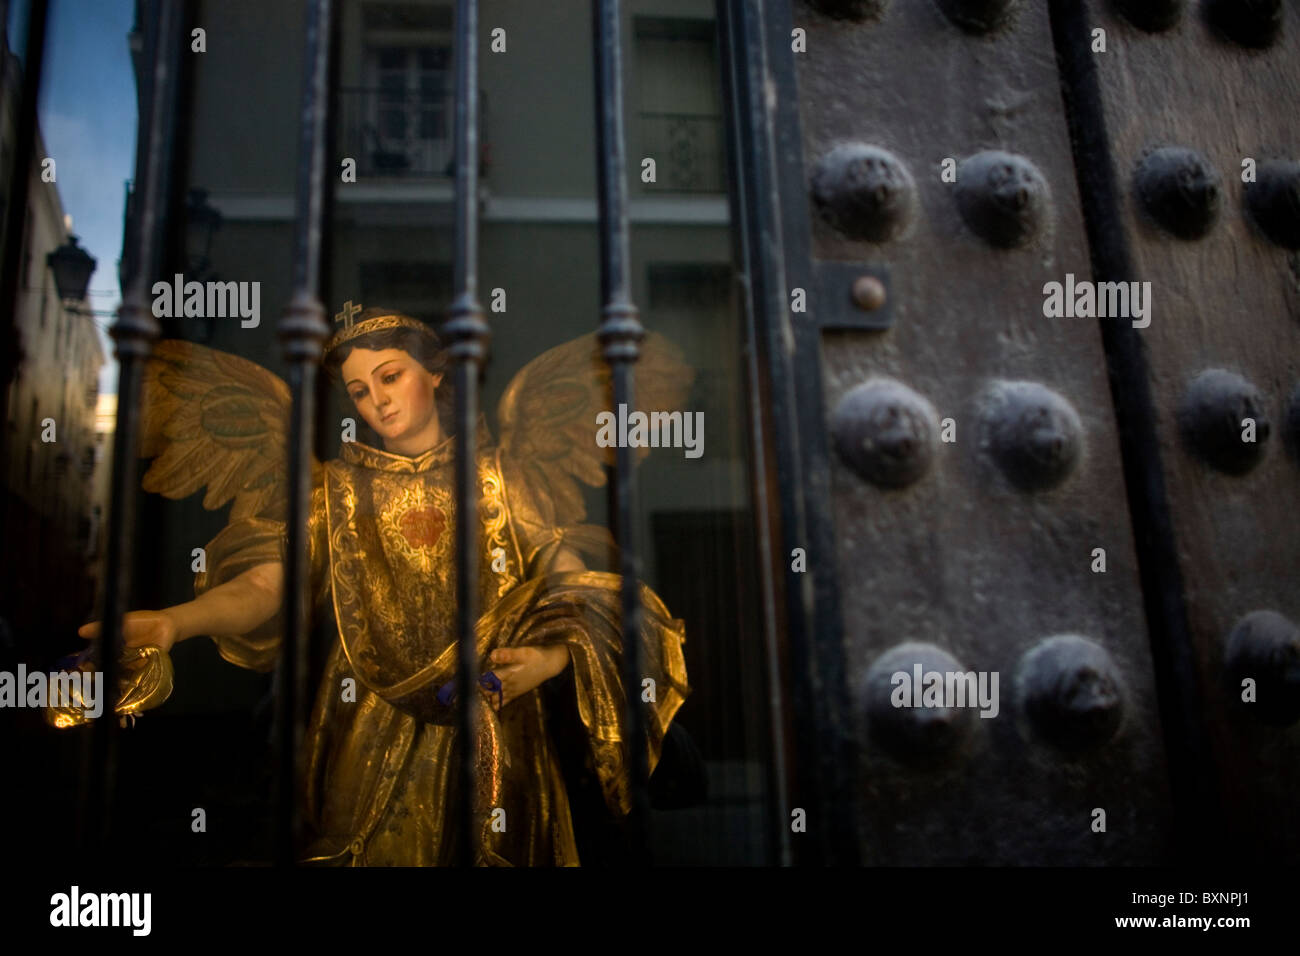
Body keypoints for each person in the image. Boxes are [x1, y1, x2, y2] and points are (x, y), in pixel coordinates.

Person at [76, 305, 692, 865]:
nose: (378, 402)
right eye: (359, 391)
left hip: (495, 712)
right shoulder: (334, 493)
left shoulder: (502, 475)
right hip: (364, 720)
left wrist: (551, 659)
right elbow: (271, 583)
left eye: (391, 376)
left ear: (435, 375)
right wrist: (177, 622)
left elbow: (570, 585)